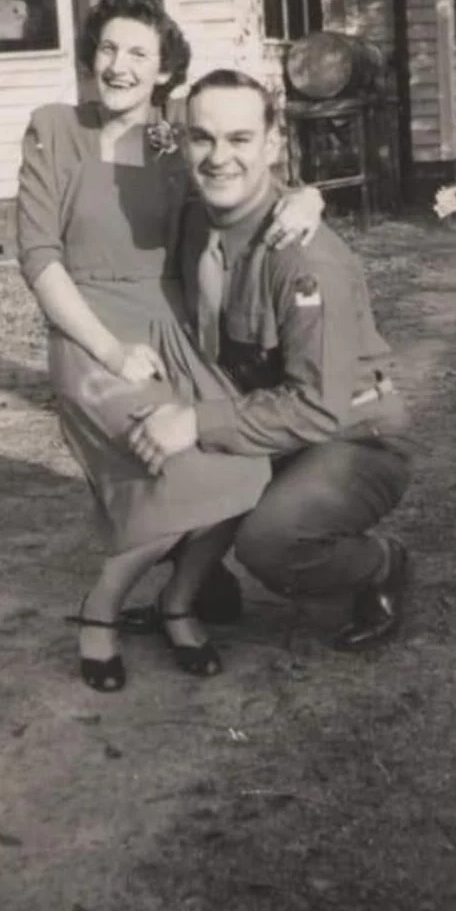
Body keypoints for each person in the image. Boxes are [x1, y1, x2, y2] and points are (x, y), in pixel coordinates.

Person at [16, 0, 323, 692]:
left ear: (162, 73)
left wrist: (307, 198)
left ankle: (177, 600)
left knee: (247, 461)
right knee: (183, 469)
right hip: (91, 334)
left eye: (138, 54)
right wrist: (111, 351)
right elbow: (39, 258)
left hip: (171, 329)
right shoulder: (53, 129)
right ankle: (101, 609)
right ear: (91, 54)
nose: (118, 66)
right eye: (108, 48)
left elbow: (240, 182)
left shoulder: (171, 140)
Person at [127, 69, 412, 651]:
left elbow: (318, 408)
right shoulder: (192, 217)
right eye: (202, 138)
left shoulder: (303, 258)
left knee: (273, 541)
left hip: (350, 436)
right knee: (130, 444)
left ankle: (381, 565)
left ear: (273, 144)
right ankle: (204, 588)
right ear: (183, 142)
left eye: (239, 139)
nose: (218, 157)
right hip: (262, 420)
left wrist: (196, 424)